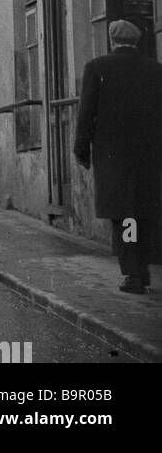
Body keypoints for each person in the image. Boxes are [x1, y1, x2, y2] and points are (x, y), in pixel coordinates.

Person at [74, 18, 162, 294]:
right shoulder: (156, 70)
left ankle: (133, 275)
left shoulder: (97, 68)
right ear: (135, 42)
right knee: (143, 211)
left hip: (113, 155)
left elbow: (86, 112)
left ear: (112, 41)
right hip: (149, 154)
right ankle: (143, 271)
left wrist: (81, 148)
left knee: (123, 214)